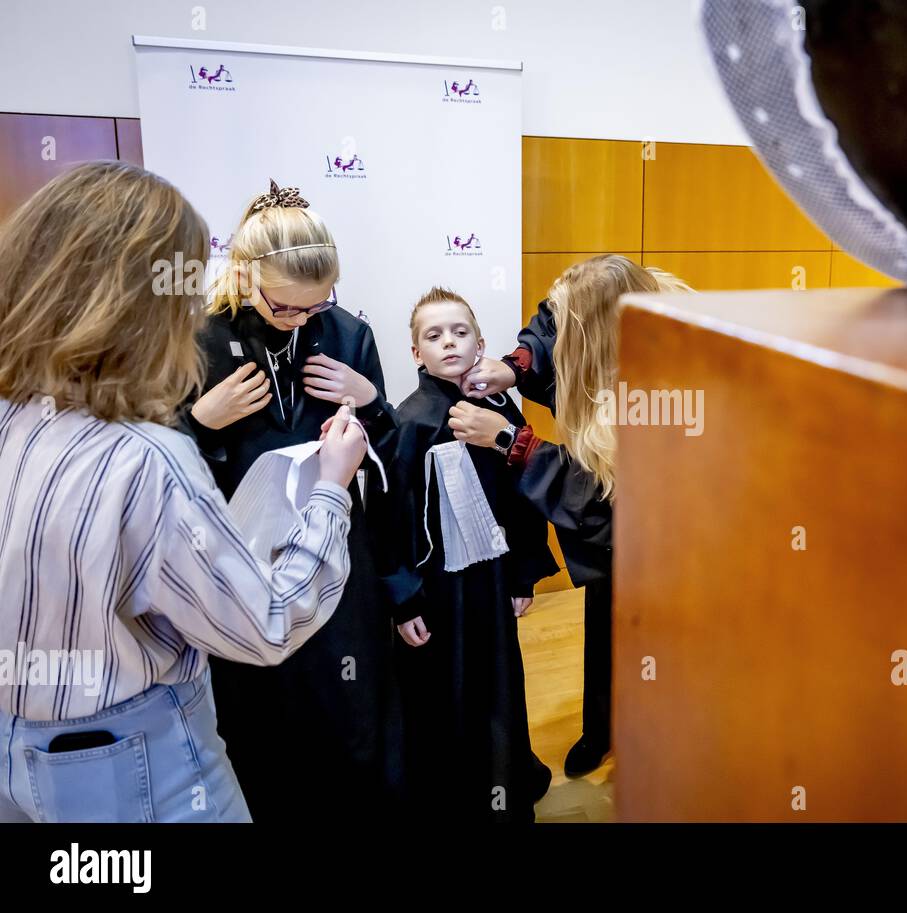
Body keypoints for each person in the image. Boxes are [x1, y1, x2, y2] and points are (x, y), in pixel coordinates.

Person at [0, 161, 368, 823]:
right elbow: (267, 623)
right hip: (136, 760)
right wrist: (332, 491)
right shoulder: (148, 457)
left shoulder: (14, 418)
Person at [178, 179, 404, 821]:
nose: (303, 321)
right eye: (285, 309)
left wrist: (373, 404)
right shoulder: (194, 339)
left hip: (337, 546)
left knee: (353, 709)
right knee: (259, 712)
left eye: (316, 306)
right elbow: (155, 470)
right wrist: (200, 420)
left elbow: (383, 458)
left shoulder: (348, 335)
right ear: (245, 276)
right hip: (239, 558)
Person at [454, 255, 681, 777]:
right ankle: (601, 731)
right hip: (624, 536)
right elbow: (549, 326)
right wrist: (514, 366)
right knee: (605, 627)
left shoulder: (662, 387)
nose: (556, 339)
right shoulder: (618, 302)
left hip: (666, 535)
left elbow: (606, 505)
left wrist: (513, 441)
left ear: (597, 334)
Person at [373, 287, 559, 821]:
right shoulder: (408, 422)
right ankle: (454, 798)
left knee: (498, 677)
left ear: (480, 344)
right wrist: (404, 600)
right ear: (416, 353)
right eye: (434, 335)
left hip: (493, 578)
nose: (448, 342)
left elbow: (525, 497)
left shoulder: (501, 408)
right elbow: (392, 520)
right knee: (440, 690)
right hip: (436, 591)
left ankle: (506, 776)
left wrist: (524, 572)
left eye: (460, 332)